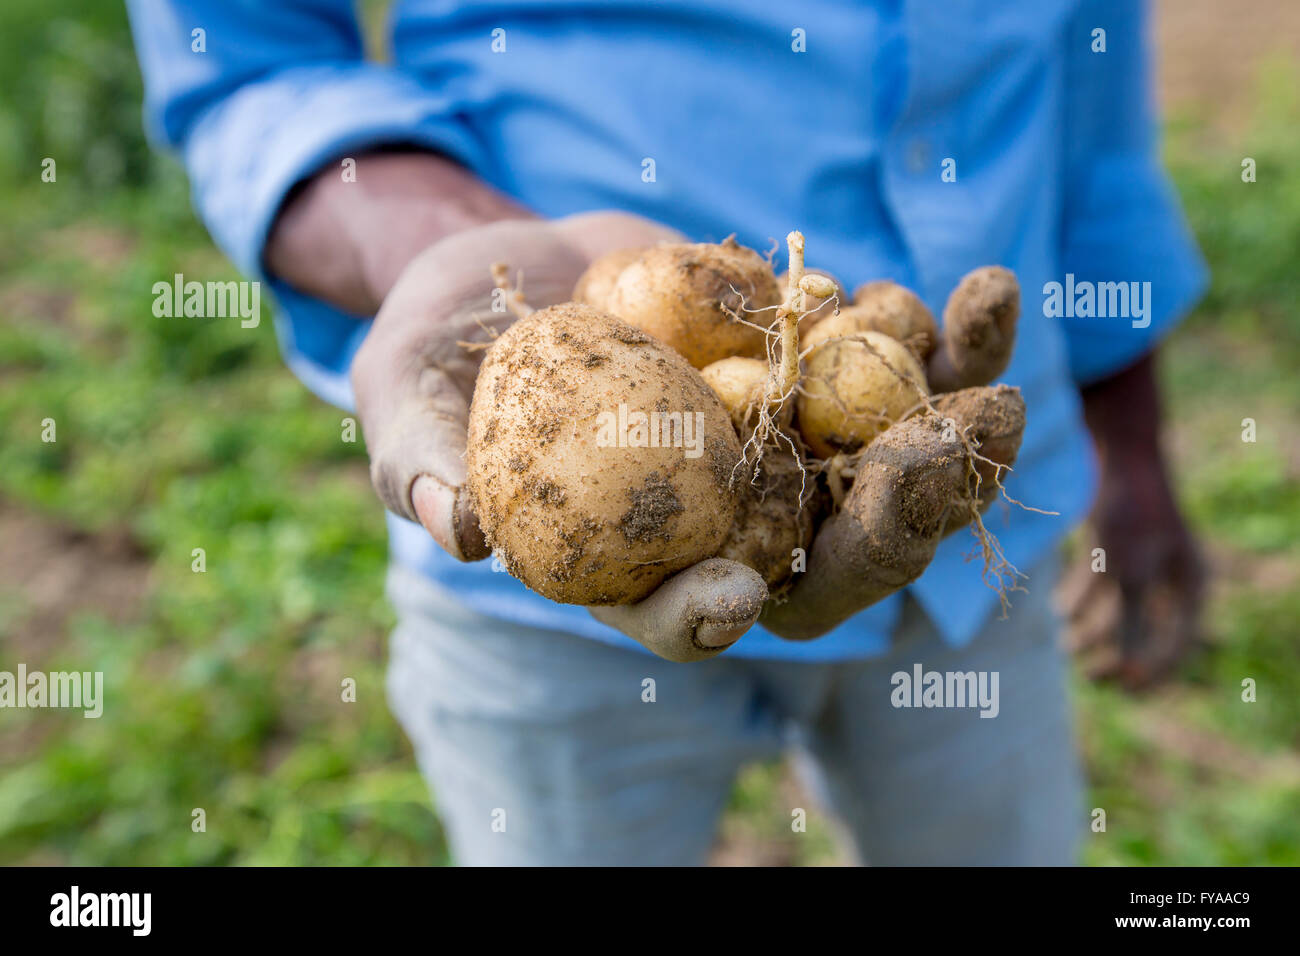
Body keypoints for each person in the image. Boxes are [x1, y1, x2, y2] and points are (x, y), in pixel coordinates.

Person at [127, 0, 1206, 864]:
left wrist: (1137, 448)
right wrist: (468, 251)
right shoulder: (640, 338)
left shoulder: (843, 374)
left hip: (960, 537)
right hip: (546, 603)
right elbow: (248, 59)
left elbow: (1097, 126)